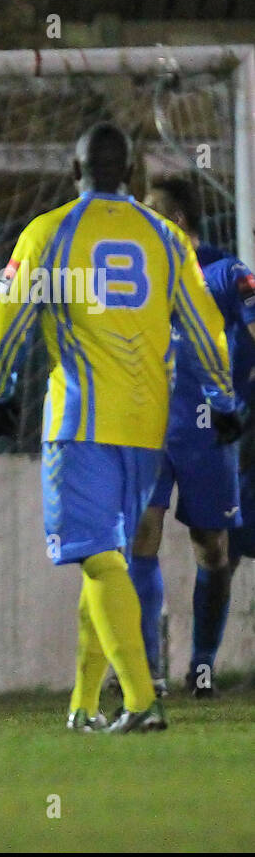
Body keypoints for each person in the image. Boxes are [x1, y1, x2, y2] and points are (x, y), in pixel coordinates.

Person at [0, 123, 238, 733]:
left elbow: (7, 316)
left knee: (99, 559)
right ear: (130, 177)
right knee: (107, 558)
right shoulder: (167, 238)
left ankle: (143, 701)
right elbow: (205, 325)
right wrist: (223, 398)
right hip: (147, 429)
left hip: (81, 424)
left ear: (75, 173)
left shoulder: (49, 232)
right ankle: (82, 702)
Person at [129, 174, 255, 698]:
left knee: (211, 547)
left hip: (211, 435)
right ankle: (146, 668)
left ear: (176, 220)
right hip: (149, 427)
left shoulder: (228, 275)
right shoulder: (139, 278)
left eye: (151, 213)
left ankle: (201, 666)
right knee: (141, 536)